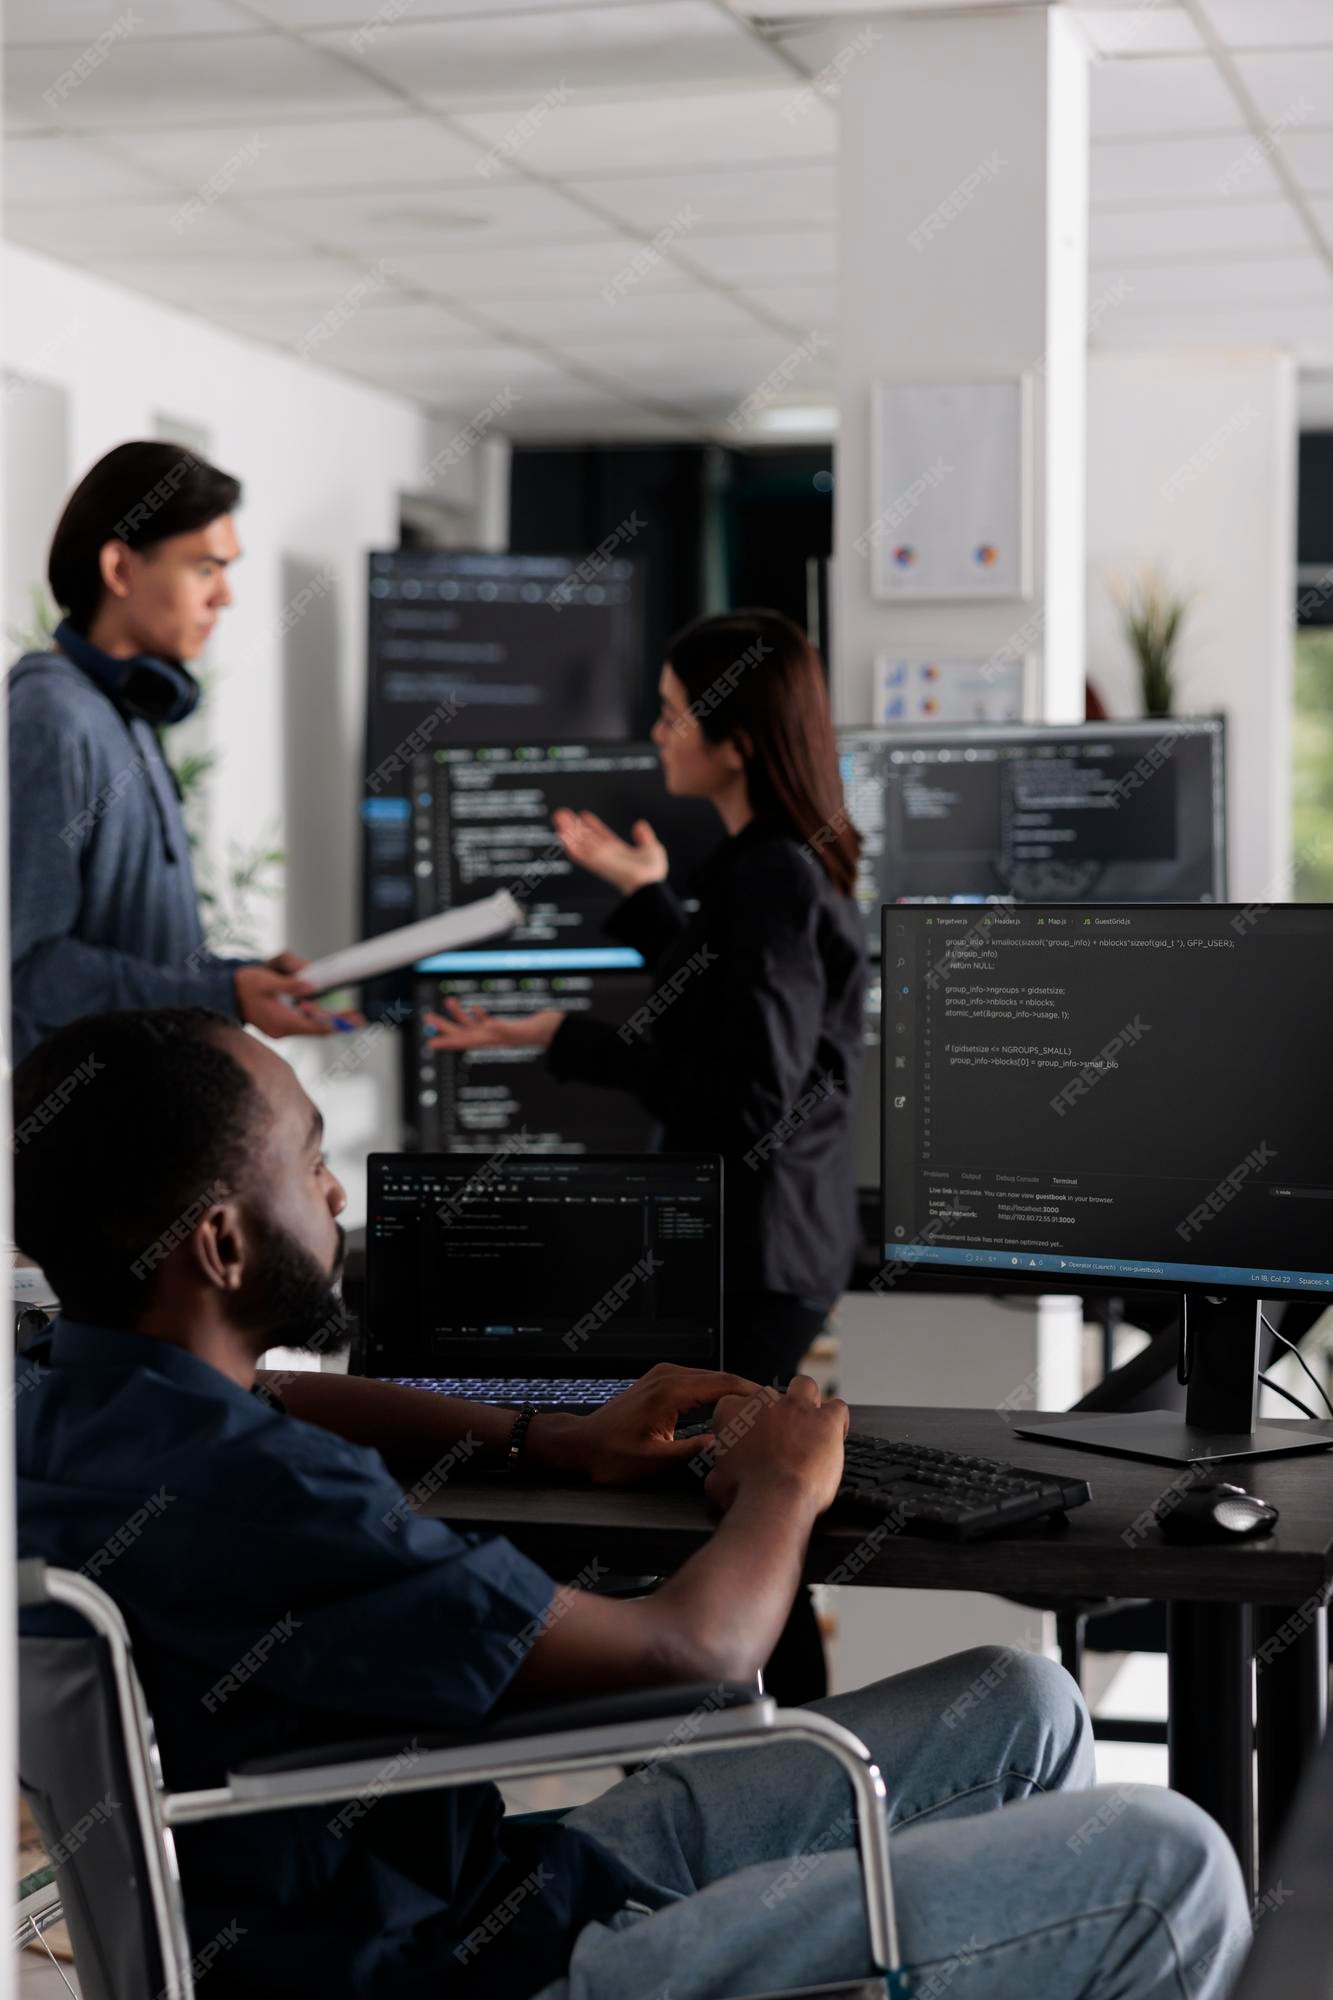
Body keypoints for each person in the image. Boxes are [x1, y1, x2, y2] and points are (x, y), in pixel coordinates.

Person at [14, 1007, 1247, 2000]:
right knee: (1163, 1862)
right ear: (224, 1245)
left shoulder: (67, 1398)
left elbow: (283, 1396)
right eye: (310, 1159)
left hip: (485, 1887)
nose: (337, 1196)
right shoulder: (270, 1494)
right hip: (478, 1968)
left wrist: (542, 1432)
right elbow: (696, 1651)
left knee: (1019, 1699)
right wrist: (787, 1482)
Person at [426, 609, 867, 1393]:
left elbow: (748, 1097)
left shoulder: (771, 877)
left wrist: (574, 1039)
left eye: (672, 717)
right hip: (773, 1247)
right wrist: (646, 898)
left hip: (760, 1259)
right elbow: (731, 1008)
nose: (657, 734)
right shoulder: (775, 863)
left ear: (737, 744)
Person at [7, 440, 341, 1062]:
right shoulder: (52, 718)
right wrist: (222, 992)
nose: (225, 598)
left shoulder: (124, 712)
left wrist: (244, 979)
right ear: (121, 569)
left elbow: (140, 953)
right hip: (94, 1135)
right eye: (206, 568)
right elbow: (28, 973)